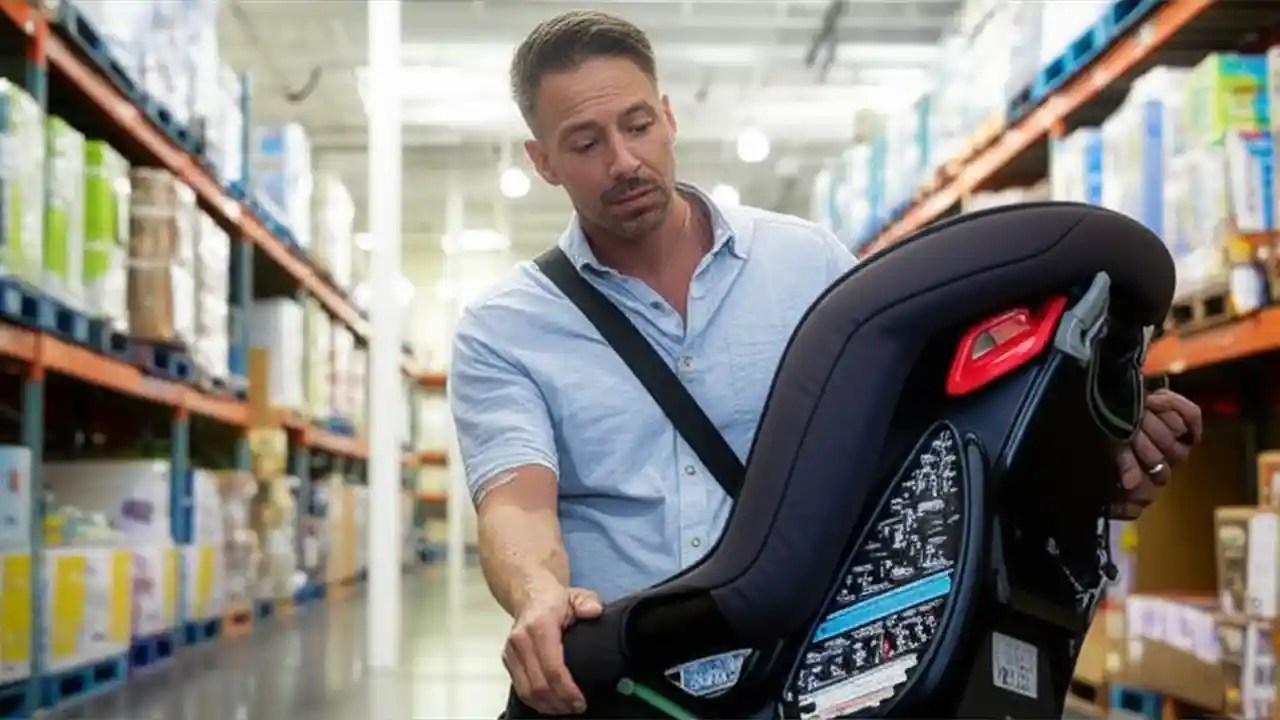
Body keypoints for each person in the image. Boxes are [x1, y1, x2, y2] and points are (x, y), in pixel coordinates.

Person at [447, 9, 1205, 717]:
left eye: (638, 125)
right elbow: (516, 503)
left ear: (669, 115)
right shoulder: (507, 328)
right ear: (542, 161)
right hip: (629, 684)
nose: (624, 161)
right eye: (584, 143)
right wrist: (537, 592)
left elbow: (929, 443)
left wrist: (1090, 455)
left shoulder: (806, 264)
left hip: (807, 678)